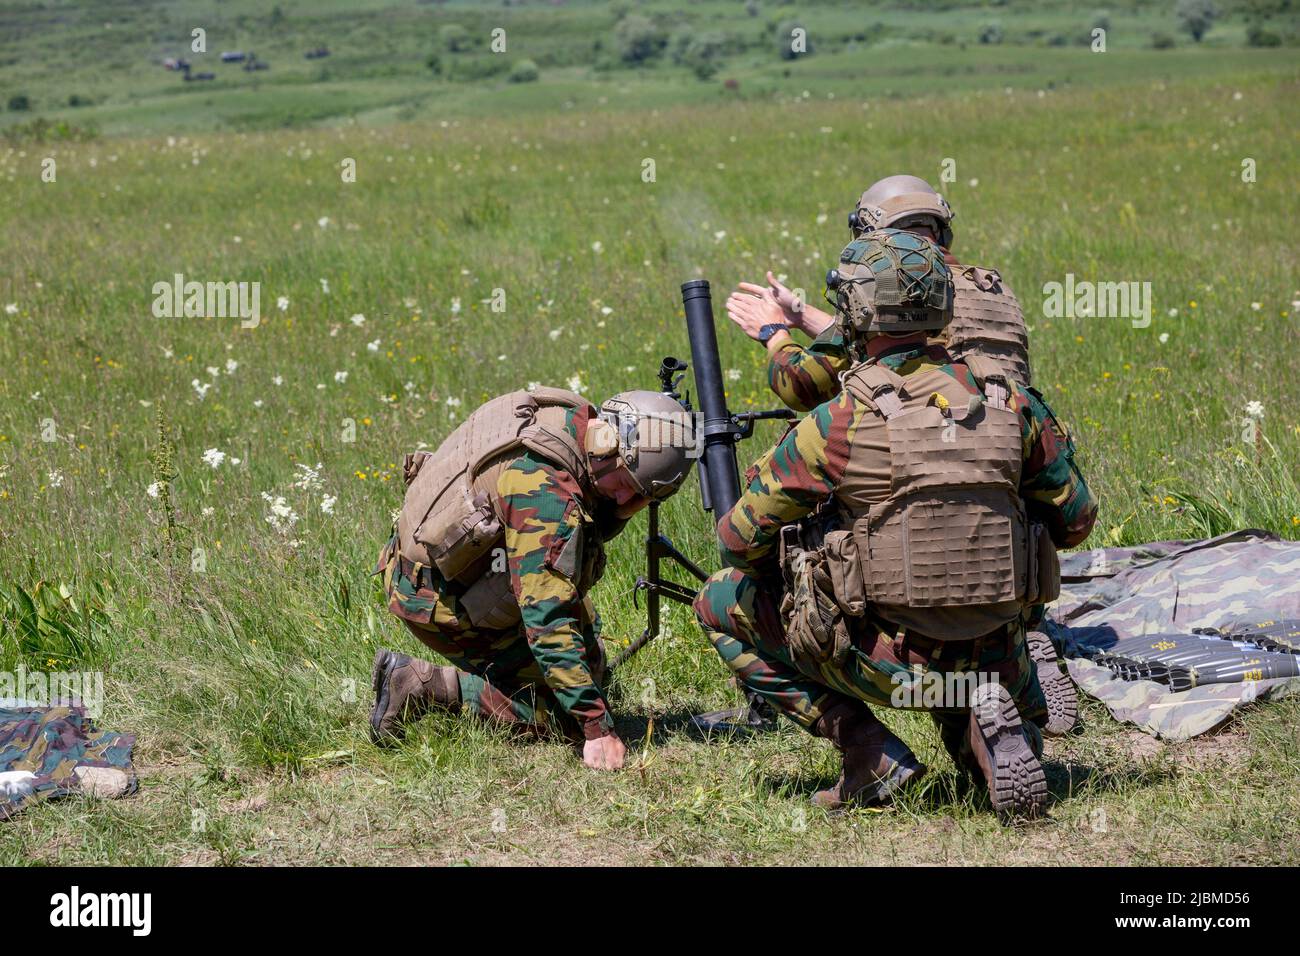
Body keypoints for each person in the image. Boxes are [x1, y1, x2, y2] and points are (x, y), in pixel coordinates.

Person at [694, 229, 1097, 819]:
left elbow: (736, 539)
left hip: (892, 662)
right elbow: (1075, 523)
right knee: (974, 663)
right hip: (997, 650)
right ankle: (999, 730)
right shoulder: (1011, 403)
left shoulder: (839, 420)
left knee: (718, 600)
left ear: (856, 309)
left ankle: (867, 749)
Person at [726, 174, 1076, 736]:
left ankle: (870, 746)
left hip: (903, 583)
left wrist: (775, 333)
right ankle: (1012, 667)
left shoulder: (853, 391)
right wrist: (814, 317)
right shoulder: (984, 289)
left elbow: (806, 383)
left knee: (802, 542)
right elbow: (1075, 520)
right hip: (1000, 508)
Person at [371, 386, 695, 771]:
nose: (626, 503)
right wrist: (595, 728)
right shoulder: (546, 493)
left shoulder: (573, 422)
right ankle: (422, 686)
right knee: (564, 715)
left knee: (590, 668)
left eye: (641, 498)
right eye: (627, 486)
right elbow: (547, 620)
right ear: (609, 446)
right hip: (432, 597)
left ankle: (529, 682)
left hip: (439, 565)